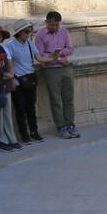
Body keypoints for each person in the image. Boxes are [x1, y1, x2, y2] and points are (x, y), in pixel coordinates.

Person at [35, 11, 79, 139]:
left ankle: (71, 124)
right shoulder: (40, 35)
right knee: (56, 100)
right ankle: (61, 126)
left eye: (57, 25)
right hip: (51, 70)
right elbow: (40, 55)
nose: (54, 27)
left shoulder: (64, 32)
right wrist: (57, 58)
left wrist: (59, 53)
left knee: (68, 98)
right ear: (46, 23)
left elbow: (70, 48)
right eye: (52, 25)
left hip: (66, 68)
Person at [6, 20, 43, 144]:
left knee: (31, 108)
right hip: (18, 81)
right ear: (19, 33)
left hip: (30, 79)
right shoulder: (10, 46)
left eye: (29, 31)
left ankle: (34, 132)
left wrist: (54, 57)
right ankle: (24, 135)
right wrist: (12, 81)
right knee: (20, 109)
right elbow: (9, 65)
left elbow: (39, 58)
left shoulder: (30, 44)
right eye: (26, 32)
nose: (28, 34)